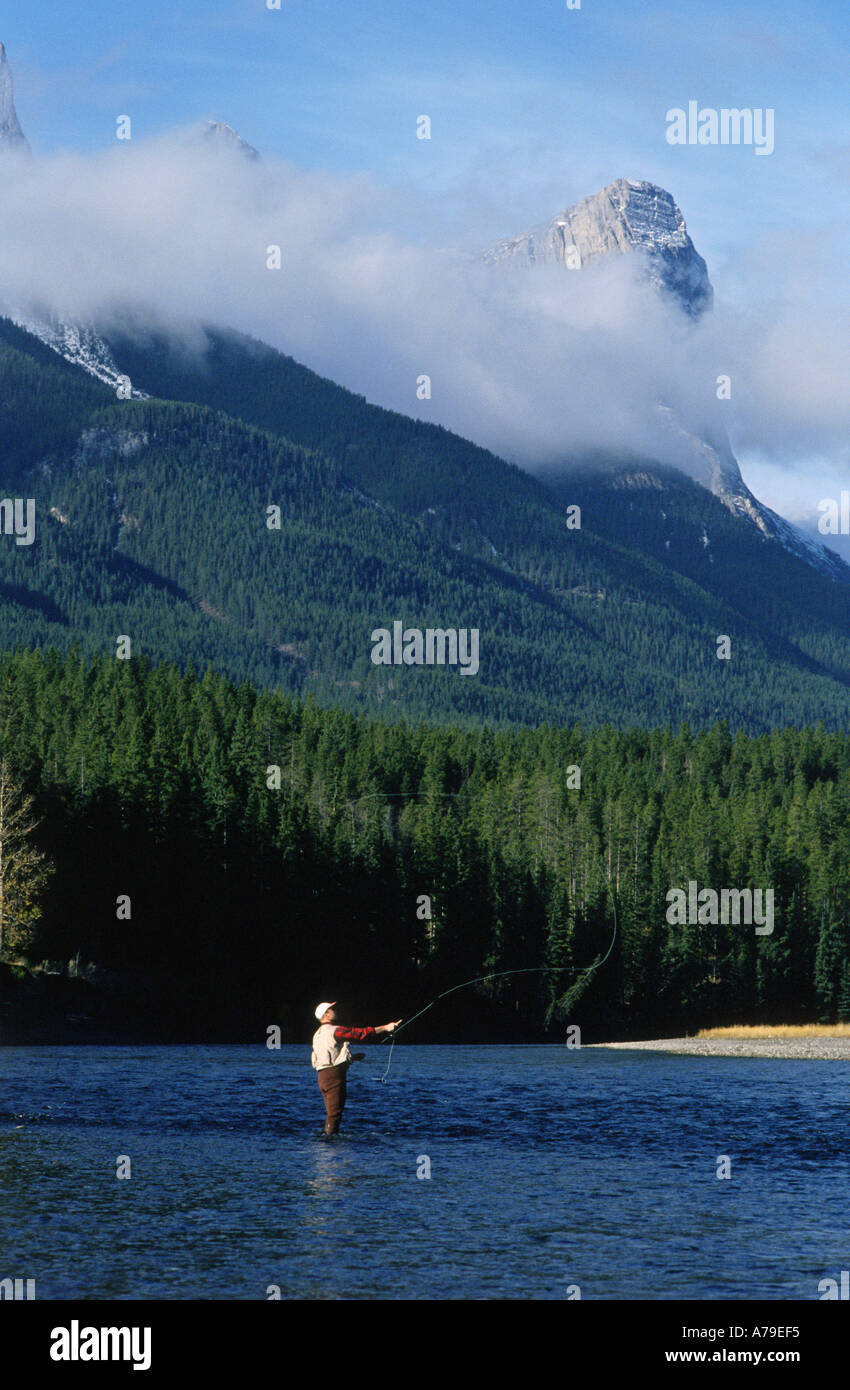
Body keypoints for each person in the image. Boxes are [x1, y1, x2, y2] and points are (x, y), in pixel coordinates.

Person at [311, 1002, 401, 1135]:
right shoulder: (335, 1030)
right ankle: (328, 1144)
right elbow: (360, 1034)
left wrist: (352, 1058)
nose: (335, 1010)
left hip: (322, 1078)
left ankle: (328, 1138)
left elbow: (329, 1056)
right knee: (334, 1113)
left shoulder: (317, 1034)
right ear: (326, 1014)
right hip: (334, 1077)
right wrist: (386, 1028)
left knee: (332, 1112)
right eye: (332, 1009)